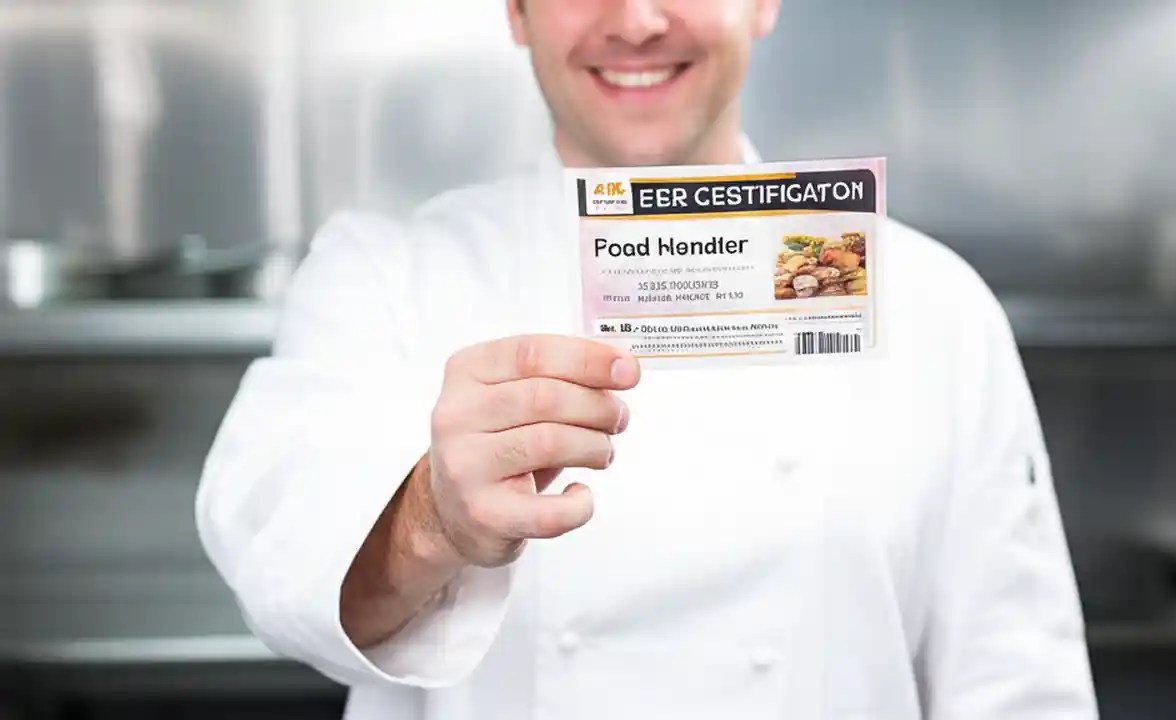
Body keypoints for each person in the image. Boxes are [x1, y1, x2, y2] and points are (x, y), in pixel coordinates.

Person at [196, 1, 1098, 718]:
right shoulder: (388, 277)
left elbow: (1015, 685)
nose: (635, 20)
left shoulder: (933, 304)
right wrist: (432, 522)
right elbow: (277, 551)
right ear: (516, 10)